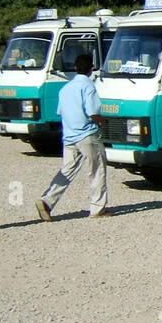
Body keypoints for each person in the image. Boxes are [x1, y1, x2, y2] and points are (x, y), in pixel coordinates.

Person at [35, 54, 111, 221]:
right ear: (91, 69)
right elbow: (92, 112)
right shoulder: (88, 86)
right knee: (97, 170)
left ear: (75, 68)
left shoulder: (65, 88)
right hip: (86, 135)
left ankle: (47, 201)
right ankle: (97, 208)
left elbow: (60, 112)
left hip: (69, 136)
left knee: (67, 170)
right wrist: (101, 122)